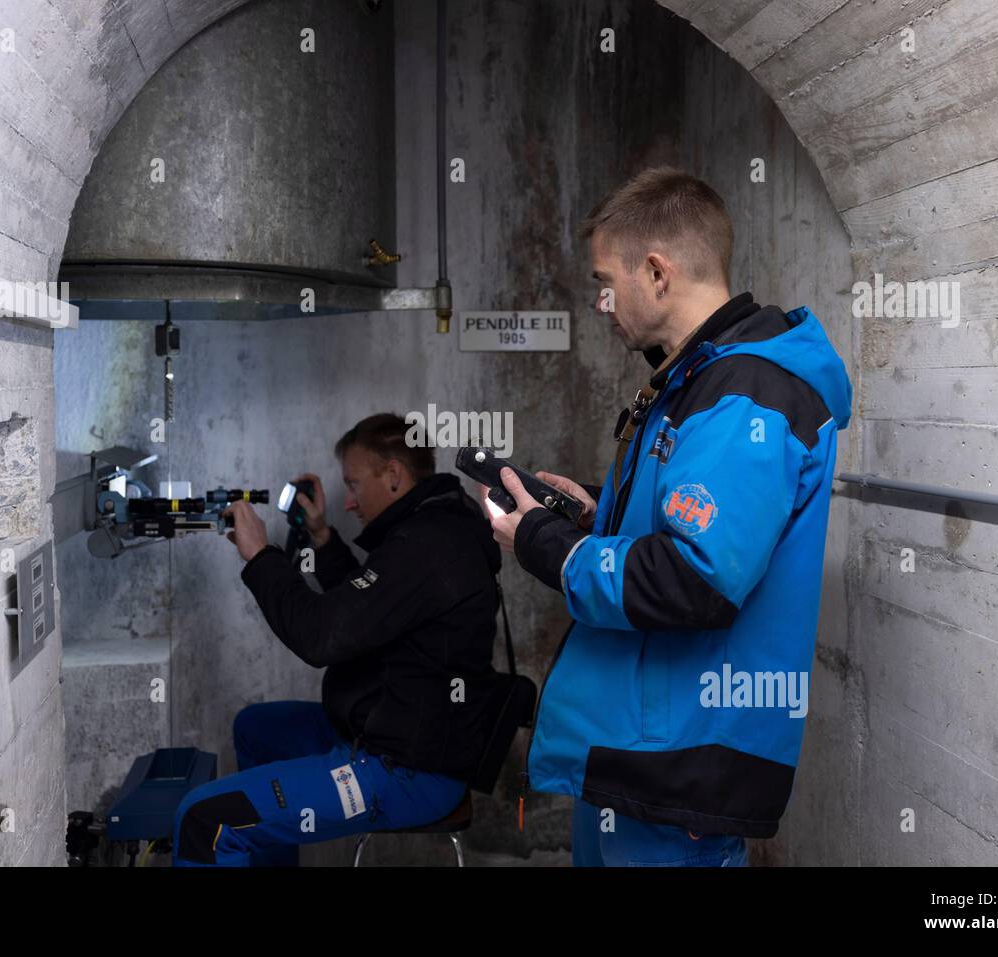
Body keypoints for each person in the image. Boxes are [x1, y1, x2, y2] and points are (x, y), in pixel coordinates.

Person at [486, 167, 852, 867]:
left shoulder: (748, 392)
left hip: (683, 756)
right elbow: (685, 524)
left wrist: (545, 543)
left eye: (605, 279)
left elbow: (695, 577)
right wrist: (598, 514)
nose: (601, 301)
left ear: (656, 272)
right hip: (647, 749)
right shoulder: (697, 379)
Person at [172, 413, 502, 866]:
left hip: (409, 770)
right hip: (384, 730)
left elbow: (322, 637)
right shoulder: (434, 527)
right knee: (256, 729)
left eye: (353, 484)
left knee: (205, 819)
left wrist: (260, 557)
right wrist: (323, 537)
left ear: (393, 475)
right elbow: (371, 611)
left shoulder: (428, 546)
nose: (349, 502)